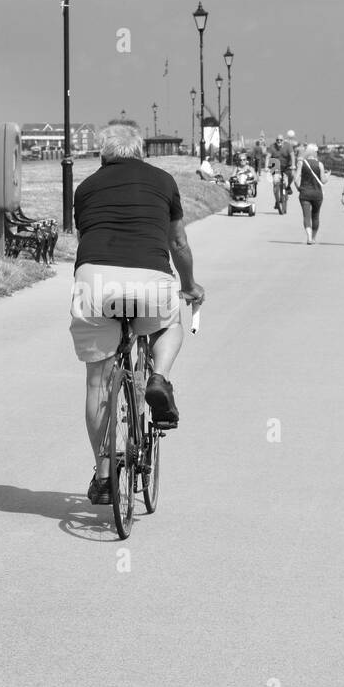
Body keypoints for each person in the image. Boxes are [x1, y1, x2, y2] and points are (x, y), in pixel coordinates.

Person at [71, 121, 205, 506]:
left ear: (102, 155)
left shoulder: (85, 188)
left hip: (95, 280)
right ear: (141, 151)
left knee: (98, 381)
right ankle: (159, 379)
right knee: (168, 326)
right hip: (150, 281)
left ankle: (104, 474)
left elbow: (86, 240)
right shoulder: (163, 182)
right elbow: (177, 241)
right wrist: (190, 285)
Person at [296, 143, 329, 244]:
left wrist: (299, 189)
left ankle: (309, 237)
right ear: (314, 152)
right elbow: (323, 181)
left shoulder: (302, 163)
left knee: (306, 216)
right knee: (315, 216)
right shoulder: (320, 164)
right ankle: (314, 237)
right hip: (317, 194)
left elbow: (295, 179)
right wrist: (328, 176)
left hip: (305, 193)